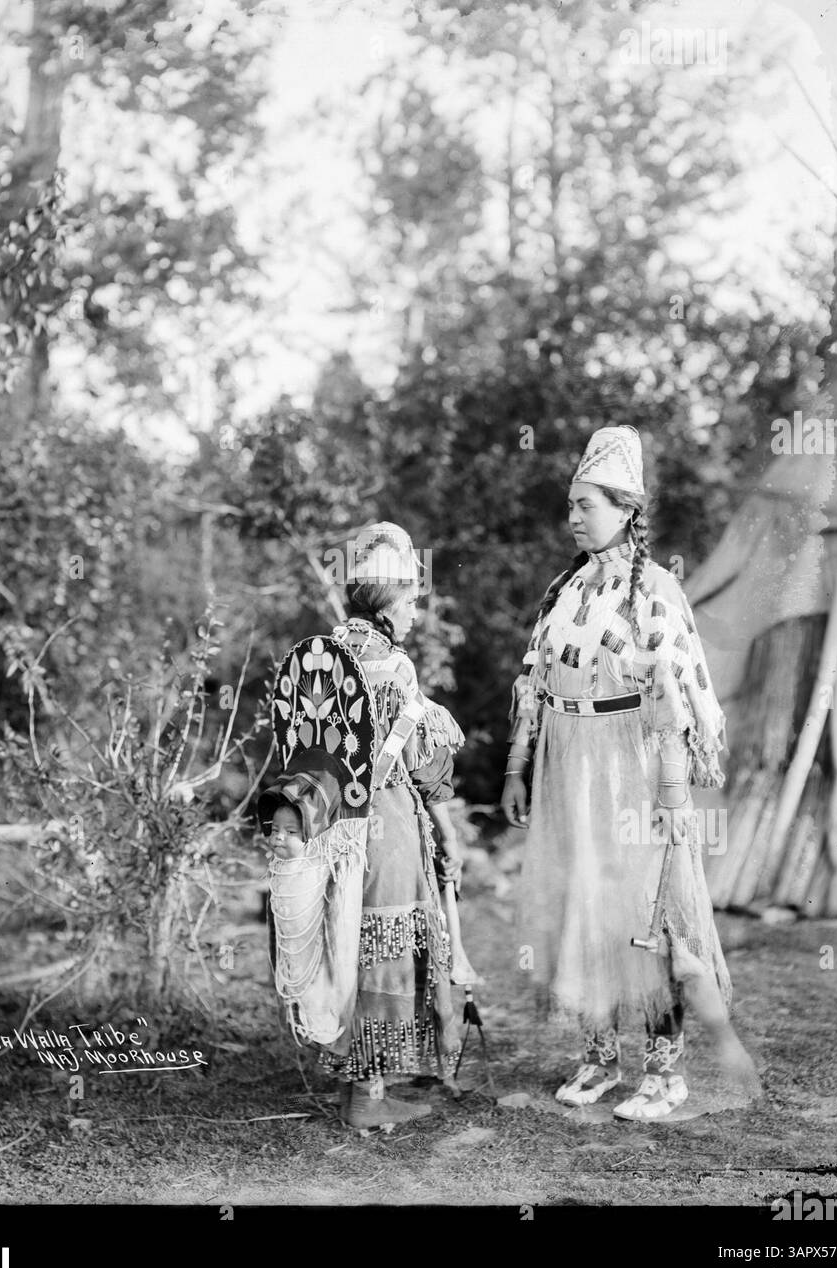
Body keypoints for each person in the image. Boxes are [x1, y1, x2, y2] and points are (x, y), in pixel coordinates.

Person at [502, 426, 746, 1121]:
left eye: (586, 504)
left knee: (643, 914)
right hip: (568, 766)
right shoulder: (564, 590)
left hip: (630, 767)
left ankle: (663, 1073)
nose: (572, 517)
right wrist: (519, 765)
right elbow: (534, 680)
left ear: (626, 510)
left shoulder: (654, 592)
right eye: (570, 505)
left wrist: (672, 795)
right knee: (583, 905)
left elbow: (672, 696)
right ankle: (599, 1057)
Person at [314, 521, 471, 1129]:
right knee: (384, 950)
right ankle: (369, 1098)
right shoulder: (395, 669)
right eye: (408, 601)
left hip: (332, 828)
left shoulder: (323, 655)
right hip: (387, 828)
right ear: (384, 601)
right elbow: (425, 764)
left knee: (346, 944)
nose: (413, 613)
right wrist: (448, 831)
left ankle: (356, 1086)